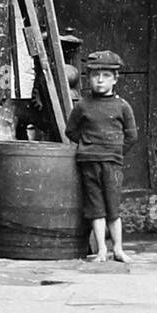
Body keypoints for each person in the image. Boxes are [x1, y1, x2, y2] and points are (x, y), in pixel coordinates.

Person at [64, 49, 137, 263]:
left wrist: (115, 152)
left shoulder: (122, 106)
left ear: (115, 79)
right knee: (96, 207)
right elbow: (71, 131)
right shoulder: (83, 106)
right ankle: (102, 250)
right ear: (89, 78)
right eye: (95, 75)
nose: (100, 80)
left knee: (113, 207)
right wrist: (88, 146)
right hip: (88, 163)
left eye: (106, 76)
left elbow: (131, 136)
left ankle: (118, 249)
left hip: (111, 164)